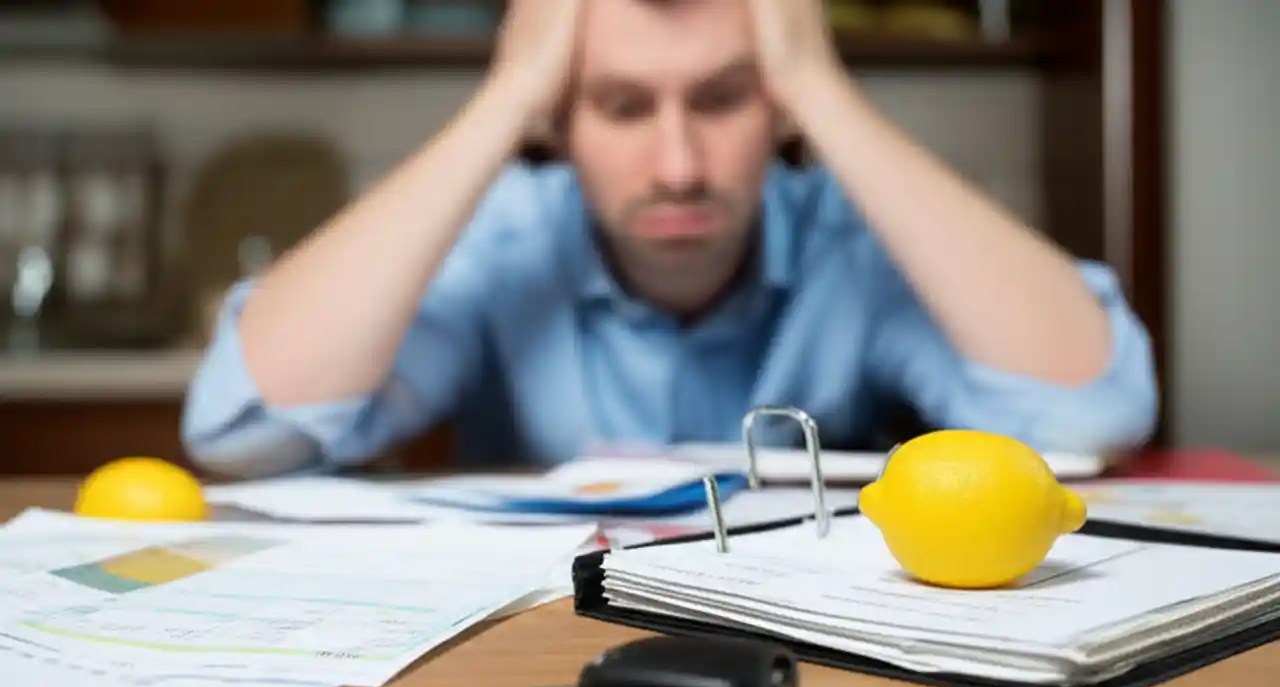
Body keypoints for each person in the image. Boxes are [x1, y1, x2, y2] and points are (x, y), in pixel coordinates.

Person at [182, 0, 1157, 478]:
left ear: (774, 106)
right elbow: (241, 432)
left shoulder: (851, 241)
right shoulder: (509, 241)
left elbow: (1095, 413)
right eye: (619, 106)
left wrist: (817, 86)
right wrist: (508, 94)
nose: (680, 165)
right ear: (560, 127)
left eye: (725, 99)